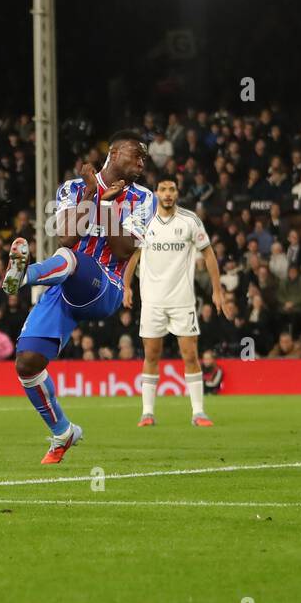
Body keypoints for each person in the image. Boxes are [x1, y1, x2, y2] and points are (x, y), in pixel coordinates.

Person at [3, 131, 153, 464]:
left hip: (108, 286)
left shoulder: (143, 198)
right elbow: (68, 235)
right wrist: (90, 191)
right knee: (27, 364)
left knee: (69, 259)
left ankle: (23, 276)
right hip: (66, 286)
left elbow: (125, 248)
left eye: (145, 158)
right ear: (113, 154)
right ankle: (63, 432)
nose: (142, 163)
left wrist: (109, 207)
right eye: (136, 155)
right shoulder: (72, 188)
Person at [122, 178, 226, 427]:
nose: (167, 194)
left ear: (177, 193)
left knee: (190, 354)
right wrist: (126, 286)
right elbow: (132, 257)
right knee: (151, 355)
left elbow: (209, 254)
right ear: (156, 193)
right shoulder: (144, 222)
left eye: (172, 189)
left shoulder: (190, 221)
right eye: (163, 189)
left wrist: (217, 289)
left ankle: (198, 412)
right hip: (152, 302)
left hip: (182, 301)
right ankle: (147, 413)